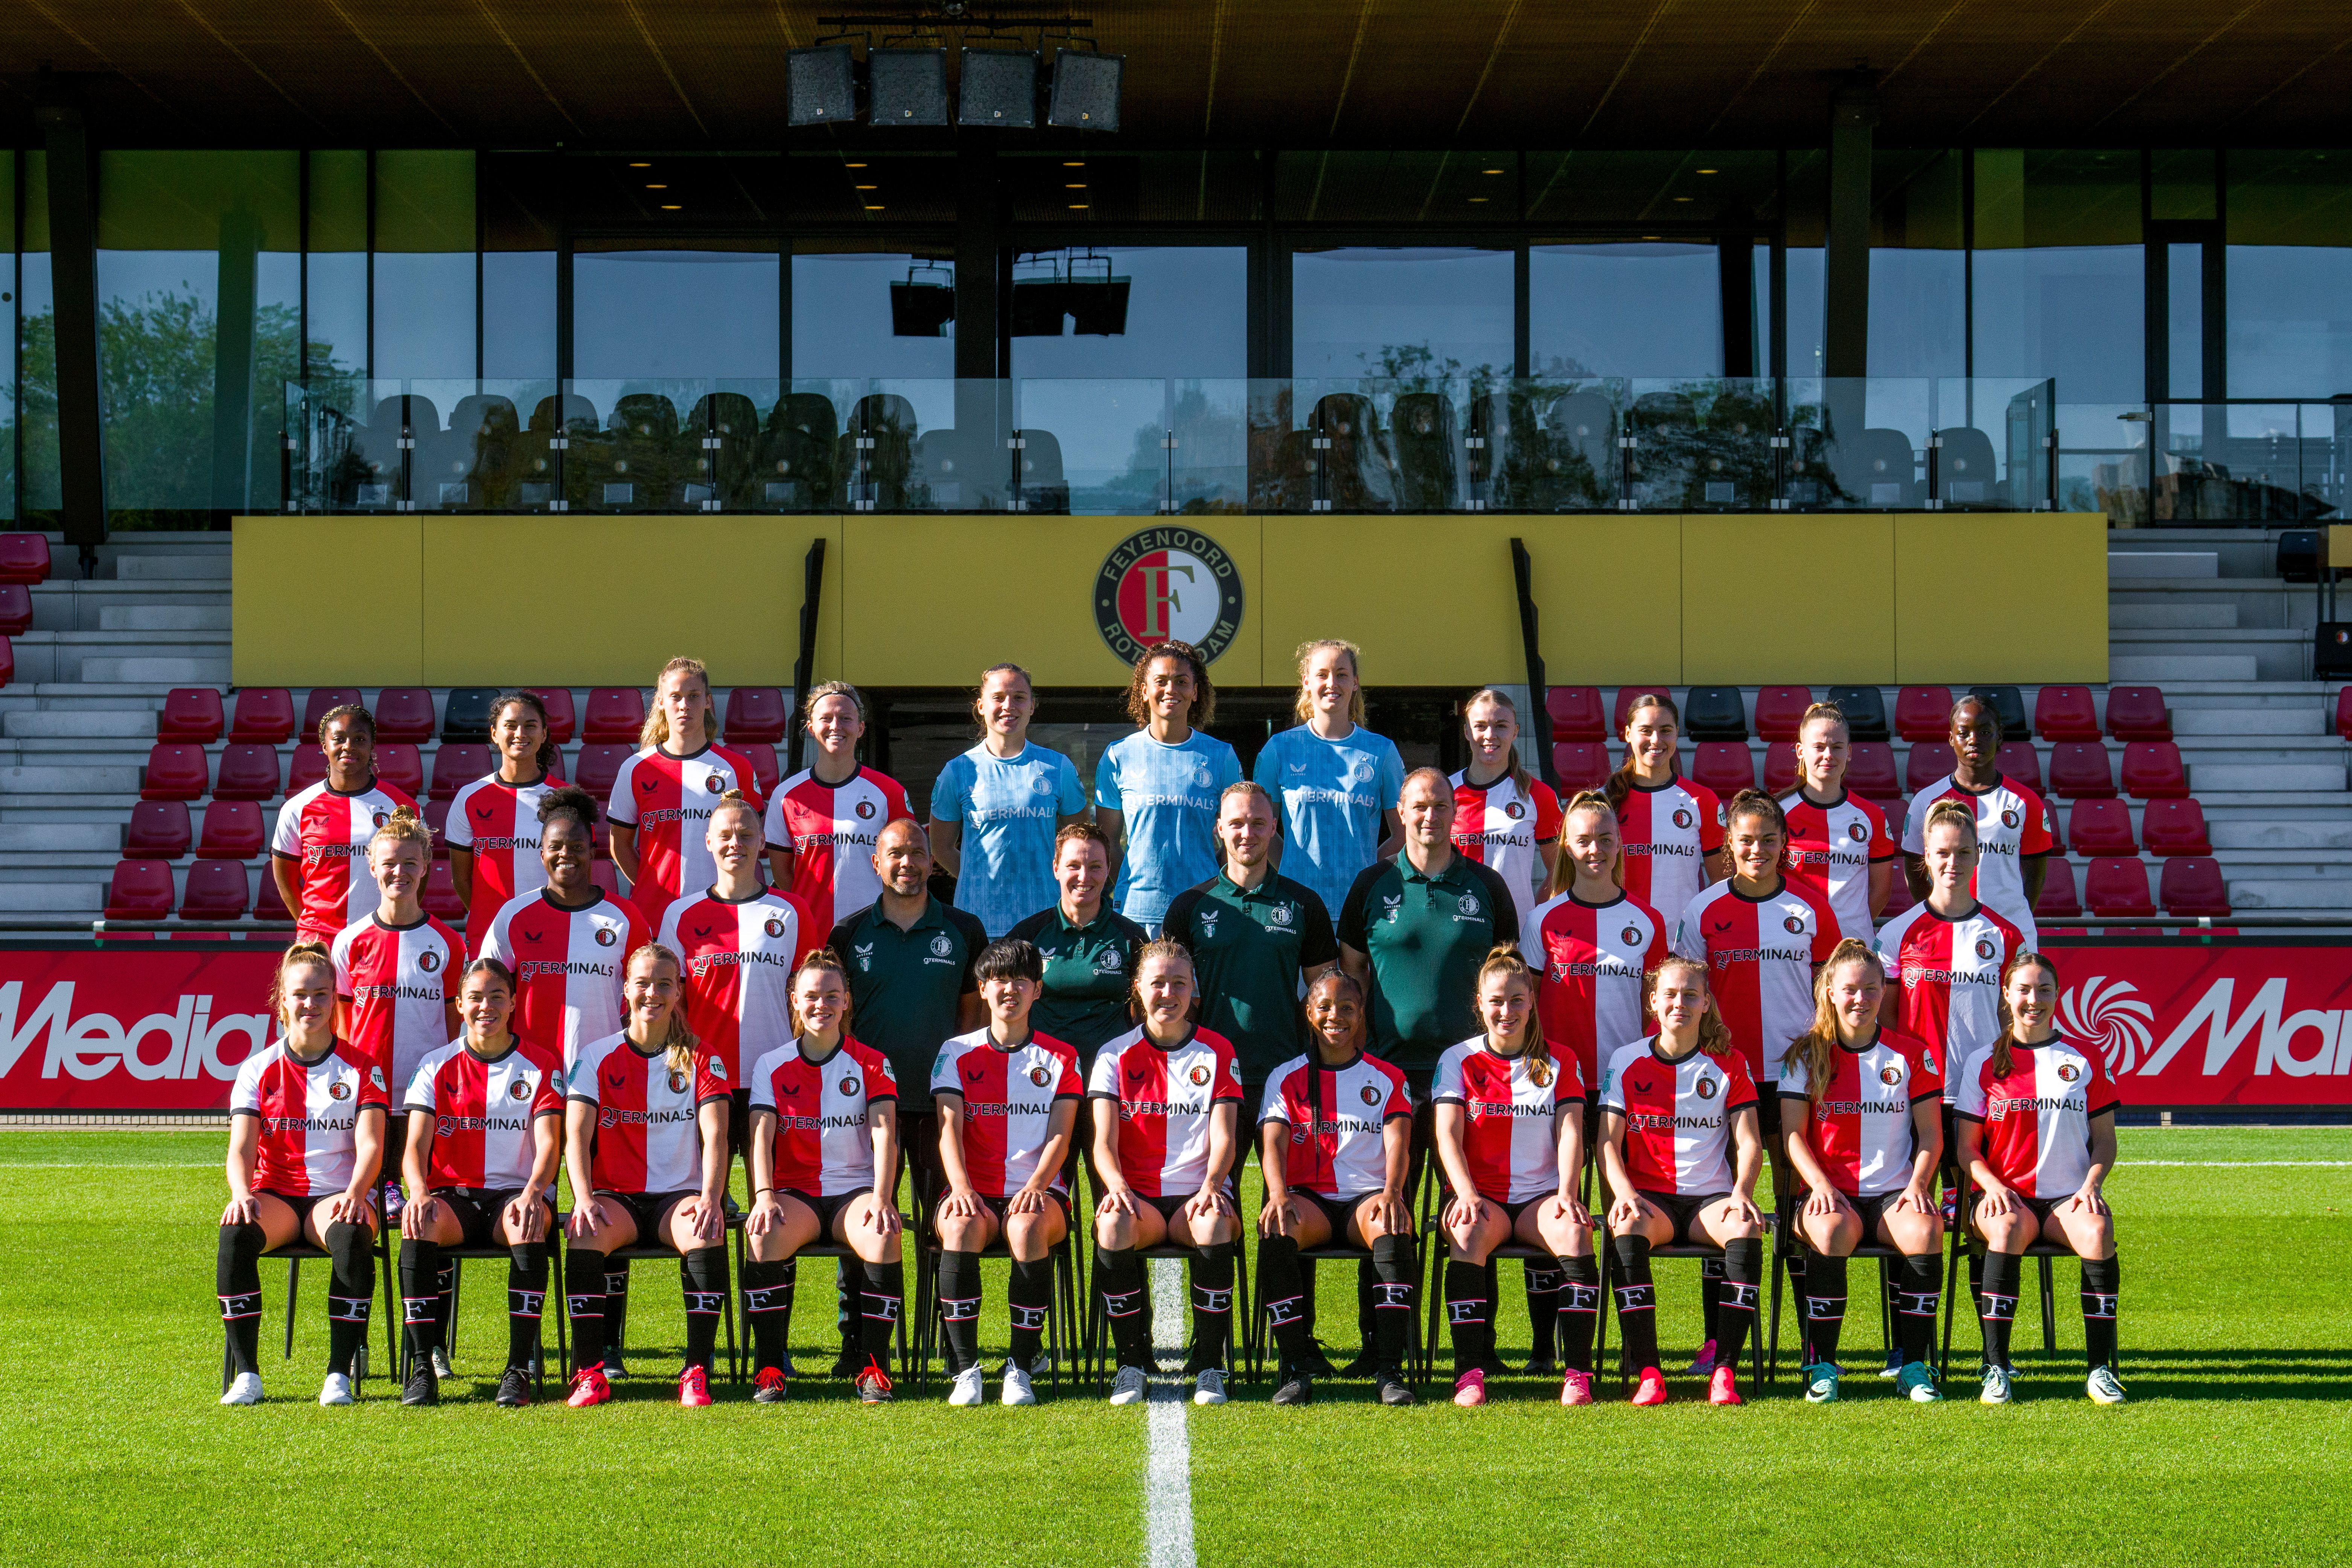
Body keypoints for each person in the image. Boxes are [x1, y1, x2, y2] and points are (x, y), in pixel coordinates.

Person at [476, 786, 653, 1372]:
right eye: (555, 846)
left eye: (576, 844)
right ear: (541, 848)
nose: (566, 855)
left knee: (603, 1209)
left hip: (609, 1090)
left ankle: (610, 1345)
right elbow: (488, 997)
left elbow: (646, 1005)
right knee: (533, 1215)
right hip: (532, 1095)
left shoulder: (625, 916)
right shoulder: (513, 917)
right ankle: (529, 1351)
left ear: (593, 847)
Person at [1672, 788, 1837, 1375]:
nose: (1757, 850)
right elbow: (1690, 992)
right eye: (1746, 840)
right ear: (1728, 845)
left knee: (1799, 1207)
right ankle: (1720, 1343)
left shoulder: (1812, 906)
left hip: (1793, 1079)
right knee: (1722, 1205)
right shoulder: (1702, 910)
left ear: (1785, 844)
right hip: (1723, 1079)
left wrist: (1815, 1040)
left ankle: (1813, 1344)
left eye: (1768, 839)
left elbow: (1830, 994)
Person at [1877, 797, 2035, 1379]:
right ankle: (1906, 1347)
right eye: (1941, 852)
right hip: (1918, 1100)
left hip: (1983, 1102)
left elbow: (2019, 1022)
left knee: (1982, 1216)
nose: (1951, 862)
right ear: (1923, 857)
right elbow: (1888, 1028)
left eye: (1962, 852)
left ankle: (1989, 1351)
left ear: (1978, 857)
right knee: (1912, 1211)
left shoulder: (2005, 932)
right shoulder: (1897, 933)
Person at [824, 817, 988, 1375]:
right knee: (865, 1224)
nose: (907, 863)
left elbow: (972, 1018)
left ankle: (952, 1344)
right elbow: (836, 1023)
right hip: (869, 1111)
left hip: (942, 1107)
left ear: (931, 861)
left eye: (917, 853)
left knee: (948, 1226)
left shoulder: (965, 928)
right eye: (895, 853)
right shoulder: (849, 934)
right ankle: (859, 1345)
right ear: (876, 862)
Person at [1519, 792, 1664, 1371]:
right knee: (1554, 1207)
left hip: (1622, 1092)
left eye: (1606, 839)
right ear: (1566, 847)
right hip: (1557, 1091)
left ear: (1619, 844)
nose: (1595, 849)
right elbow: (1526, 1010)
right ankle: (1542, 1347)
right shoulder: (1543, 918)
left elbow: (1660, 1017)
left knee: (1621, 1212)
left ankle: (1633, 1348)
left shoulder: (1646, 920)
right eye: (1584, 839)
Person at [560, 942, 732, 1409]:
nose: (652, 993)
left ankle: (696, 1368)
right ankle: (590, 1370)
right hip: (616, 1196)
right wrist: (583, 1197)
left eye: (663, 984)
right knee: (583, 1235)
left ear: (679, 991)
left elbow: (716, 1136)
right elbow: (575, 1137)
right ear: (626, 988)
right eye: (642, 982)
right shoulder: (596, 1056)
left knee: (704, 1231)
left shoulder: (701, 1056)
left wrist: (712, 1198)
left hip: (677, 1196)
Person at [216, 943, 388, 1406]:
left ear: (335, 999)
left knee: (353, 1233)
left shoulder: (363, 1067)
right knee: (234, 1232)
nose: (309, 1004)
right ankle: (247, 1375)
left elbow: (372, 1144)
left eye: (320, 994)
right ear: (282, 1001)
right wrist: (240, 1192)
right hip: (277, 1196)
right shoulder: (257, 1068)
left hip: (335, 1196)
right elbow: (241, 1148)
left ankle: (339, 1374)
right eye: (300, 994)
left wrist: (357, 1192)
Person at [1777, 941, 1947, 1405]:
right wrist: (1820, 1184)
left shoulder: (1911, 1053)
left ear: (1883, 990)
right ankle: (1824, 1366)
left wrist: (1917, 1185)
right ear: (1829, 990)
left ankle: (1912, 1364)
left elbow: (1932, 1133)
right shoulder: (1806, 1054)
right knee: (1830, 1231)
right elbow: (1792, 1135)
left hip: (1894, 1192)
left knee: (1928, 1230)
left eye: (1871, 988)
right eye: (1850, 988)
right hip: (1831, 1192)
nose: (1861, 999)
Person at [1956, 950, 2126, 1407]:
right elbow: (1966, 1147)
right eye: (2025, 989)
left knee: (2098, 1230)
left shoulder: (2085, 1056)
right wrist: (1991, 1186)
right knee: (2007, 1227)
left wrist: (2091, 1185)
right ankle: (1996, 1368)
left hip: (2065, 1198)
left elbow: (2105, 1141)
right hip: (2004, 1196)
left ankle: (2100, 1369)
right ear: (2007, 994)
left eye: (2045, 989)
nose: (2035, 999)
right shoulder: (1982, 1062)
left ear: (2057, 994)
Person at [1430, 947, 1598, 1408]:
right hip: (1482, 1197)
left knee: (1575, 1230)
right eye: (1497, 1001)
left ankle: (1577, 1374)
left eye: (1518, 1000)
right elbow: (1446, 1134)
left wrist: (1567, 1192)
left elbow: (1571, 1132)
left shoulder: (1560, 1059)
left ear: (1532, 1002)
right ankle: (1468, 1374)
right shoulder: (1457, 1059)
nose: (1507, 1011)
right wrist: (1465, 1193)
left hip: (1538, 1198)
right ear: (1479, 1003)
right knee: (1465, 1230)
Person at [394, 957, 564, 1408]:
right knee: (419, 1223)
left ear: (513, 1003)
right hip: (455, 1197)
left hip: (515, 1193)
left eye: (496, 996)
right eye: (475, 997)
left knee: (526, 1223)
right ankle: (421, 1367)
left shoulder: (541, 1063)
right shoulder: (435, 1065)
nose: (485, 1005)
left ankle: (518, 1367)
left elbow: (549, 1144)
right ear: (459, 1004)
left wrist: (533, 1192)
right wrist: (418, 1193)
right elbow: (414, 1147)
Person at [1597, 956, 1766, 1407]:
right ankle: (1649, 1371)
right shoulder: (1626, 1060)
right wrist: (1625, 1193)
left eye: (1691, 994)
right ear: (1653, 1001)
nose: (1680, 1003)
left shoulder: (1729, 1062)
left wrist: (1742, 1193)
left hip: (1709, 1200)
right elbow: (1608, 1143)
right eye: (1670, 994)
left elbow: (1750, 1142)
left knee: (1746, 1228)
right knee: (1627, 1229)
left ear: (1707, 1002)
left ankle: (1724, 1371)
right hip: (1651, 1198)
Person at [743, 951, 904, 1405]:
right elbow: (760, 1135)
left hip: (854, 1191)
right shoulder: (771, 1064)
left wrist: (882, 1196)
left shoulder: (872, 1061)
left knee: (881, 1233)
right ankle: (770, 1366)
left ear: (848, 1001)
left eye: (832, 996)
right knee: (763, 1235)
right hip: (797, 1192)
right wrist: (763, 1194)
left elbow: (885, 1132)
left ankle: (874, 1368)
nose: (822, 1005)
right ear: (794, 1000)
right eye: (811, 996)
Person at [1088, 942, 1245, 1407]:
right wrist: (1117, 1187)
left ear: (1193, 988)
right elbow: (1101, 1141)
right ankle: (1131, 1362)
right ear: (1138, 987)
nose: (1168, 992)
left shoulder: (1218, 1049)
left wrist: (1213, 1186)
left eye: (1179, 982)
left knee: (1214, 1222)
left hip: (1197, 1193)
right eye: (1158, 982)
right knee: (1114, 1223)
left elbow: (1226, 1137)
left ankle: (1208, 1363)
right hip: (1141, 1199)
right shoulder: (1114, 1054)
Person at [930, 938, 1083, 1407]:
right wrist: (960, 1188)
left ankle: (1021, 1365)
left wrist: (1037, 1185)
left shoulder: (1063, 1056)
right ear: (982, 988)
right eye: (999, 979)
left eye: (1020, 979)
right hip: (972, 1190)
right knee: (957, 1225)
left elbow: (1061, 1134)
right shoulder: (955, 1051)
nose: (1009, 988)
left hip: (1038, 1191)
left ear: (1038, 989)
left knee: (1027, 1224)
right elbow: (948, 1128)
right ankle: (966, 1370)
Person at [1254, 971, 1417, 1407]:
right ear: (1309, 1012)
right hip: (1310, 1199)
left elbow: (1399, 1141)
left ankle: (1388, 1368)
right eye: (1325, 1006)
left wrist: (1393, 1191)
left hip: (1366, 1198)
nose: (1335, 1016)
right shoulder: (1285, 1077)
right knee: (1277, 1227)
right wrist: (1277, 1192)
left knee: (1392, 1222)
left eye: (1347, 1007)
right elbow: (1272, 1140)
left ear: (1361, 1013)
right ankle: (1294, 1366)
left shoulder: (1386, 1076)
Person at [330, 805, 461, 1349]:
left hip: (429, 1109)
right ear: (370, 864)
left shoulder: (448, 943)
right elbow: (339, 1030)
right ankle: (358, 1337)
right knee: (363, 1221)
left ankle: (431, 1344)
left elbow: (458, 1035)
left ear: (427, 864)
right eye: (389, 863)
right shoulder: (349, 941)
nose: (398, 872)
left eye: (410, 862)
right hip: (369, 1112)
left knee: (431, 1221)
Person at [1337, 768, 1521, 1088]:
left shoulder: (1488, 886)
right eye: (1420, 806)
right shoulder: (1370, 884)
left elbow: (1509, 975)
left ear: (1455, 812)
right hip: (1387, 1069)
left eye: (1440, 806)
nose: (1430, 816)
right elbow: (1352, 972)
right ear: (1401, 812)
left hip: (1473, 1067)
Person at [657, 790, 816, 1143]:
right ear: (709, 842)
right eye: (725, 836)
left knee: (773, 1189)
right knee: (707, 1193)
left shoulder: (792, 911)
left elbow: (807, 997)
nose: (736, 844)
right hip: (705, 1070)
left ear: (762, 841)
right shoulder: (680, 914)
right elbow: (673, 1000)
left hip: (776, 1070)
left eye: (746, 836)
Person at [1160, 781, 1339, 1092]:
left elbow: (1325, 992)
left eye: (1258, 823)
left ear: (1273, 827)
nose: (1247, 833)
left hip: (1286, 1067)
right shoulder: (1189, 906)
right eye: (1236, 824)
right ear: (1219, 828)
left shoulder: (1304, 903)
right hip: (1208, 1069)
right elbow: (1168, 991)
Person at [606, 656, 766, 936]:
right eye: (676, 697)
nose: (685, 706)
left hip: (724, 912)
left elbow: (754, 839)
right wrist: (652, 887)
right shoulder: (635, 769)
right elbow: (619, 845)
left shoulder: (736, 767)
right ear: (660, 702)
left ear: (707, 701)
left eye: (694, 696)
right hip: (655, 914)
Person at [927, 663, 1088, 939]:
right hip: (978, 923)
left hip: (1047, 921)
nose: (1008, 706)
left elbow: (1080, 843)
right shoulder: (958, 771)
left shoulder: (1057, 767)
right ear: (980, 706)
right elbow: (940, 848)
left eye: (1019, 697)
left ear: (1032, 706)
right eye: (998, 697)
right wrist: (978, 878)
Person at [1251, 639, 1404, 928]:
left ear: (1355, 683)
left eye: (1342, 674)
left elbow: (1404, 833)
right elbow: (1261, 828)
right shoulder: (1280, 748)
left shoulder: (1382, 752)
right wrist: (1292, 868)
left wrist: (1369, 871)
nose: (1332, 683)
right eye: (1322, 674)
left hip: (1361, 908)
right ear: (1307, 682)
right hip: (1295, 909)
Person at [1096, 639, 1242, 933]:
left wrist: (1212, 879)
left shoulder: (1221, 756)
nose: (1171, 690)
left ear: (1195, 691)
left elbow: (1237, 837)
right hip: (1137, 911)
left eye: (1181, 681)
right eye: (1160, 681)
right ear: (1144, 689)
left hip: (1206, 906)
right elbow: (1107, 842)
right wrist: (1132, 886)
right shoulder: (1118, 755)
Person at [764, 680, 914, 935]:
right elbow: (784, 875)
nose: (836, 726)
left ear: (861, 728)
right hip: (810, 933)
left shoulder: (889, 792)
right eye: (826, 718)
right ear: (811, 728)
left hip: (874, 933)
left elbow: (907, 867)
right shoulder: (786, 795)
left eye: (846, 718)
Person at [272, 702, 420, 946]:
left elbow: (419, 873)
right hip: (318, 940)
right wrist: (310, 926)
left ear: (372, 746)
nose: (348, 747)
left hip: (382, 936)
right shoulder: (297, 808)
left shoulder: (401, 806)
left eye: (359, 739)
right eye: (339, 739)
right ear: (324, 745)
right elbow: (285, 879)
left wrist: (397, 917)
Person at [1902, 694, 2054, 931]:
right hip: (1948, 930)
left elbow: (2036, 877)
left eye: (1984, 732)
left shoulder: (2026, 802)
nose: (1974, 740)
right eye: (1964, 733)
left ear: (1999, 736)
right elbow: (1914, 873)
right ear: (1952, 739)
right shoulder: (1926, 802)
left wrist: (2012, 922)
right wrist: (1938, 919)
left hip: (2010, 931)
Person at [1006, 822, 1152, 1062]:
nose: (1084, 877)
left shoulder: (1131, 937)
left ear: (1108, 871)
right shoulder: (1026, 936)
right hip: (1040, 1073)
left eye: (1095, 867)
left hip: (1113, 1074)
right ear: (1056, 869)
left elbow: (1148, 1014)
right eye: (1073, 866)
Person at [447, 689, 563, 947]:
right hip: (488, 935)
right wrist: (489, 916)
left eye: (530, 726)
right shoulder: (469, 797)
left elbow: (576, 876)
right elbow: (462, 879)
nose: (520, 734)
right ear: (494, 734)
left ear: (544, 734)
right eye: (510, 726)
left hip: (549, 931)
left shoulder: (564, 798)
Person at [1777, 701, 1896, 942]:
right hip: (1793, 944)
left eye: (1837, 747)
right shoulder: (1778, 813)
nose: (1828, 755)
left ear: (1849, 752)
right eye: (1819, 747)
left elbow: (1881, 891)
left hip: (1852, 946)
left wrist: (1848, 928)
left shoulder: (1872, 816)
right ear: (1800, 751)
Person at [1604, 692, 1721, 931]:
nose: (1656, 740)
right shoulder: (1602, 801)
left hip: (1681, 943)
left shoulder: (1703, 801)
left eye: (1666, 730)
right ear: (1628, 734)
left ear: (1677, 733)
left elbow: (1721, 882)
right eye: (1646, 730)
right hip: (1615, 939)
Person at [1449, 686, 1562, 926]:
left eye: (1501, 725)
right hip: (1455, 930)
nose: (1490, 735)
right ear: (1467, 732)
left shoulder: (1538, 795)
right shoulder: (1445, 792)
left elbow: (1560, 869)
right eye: (1480, 726)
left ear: (1515, 732)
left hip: (1514, 933)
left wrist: (1536, 914)